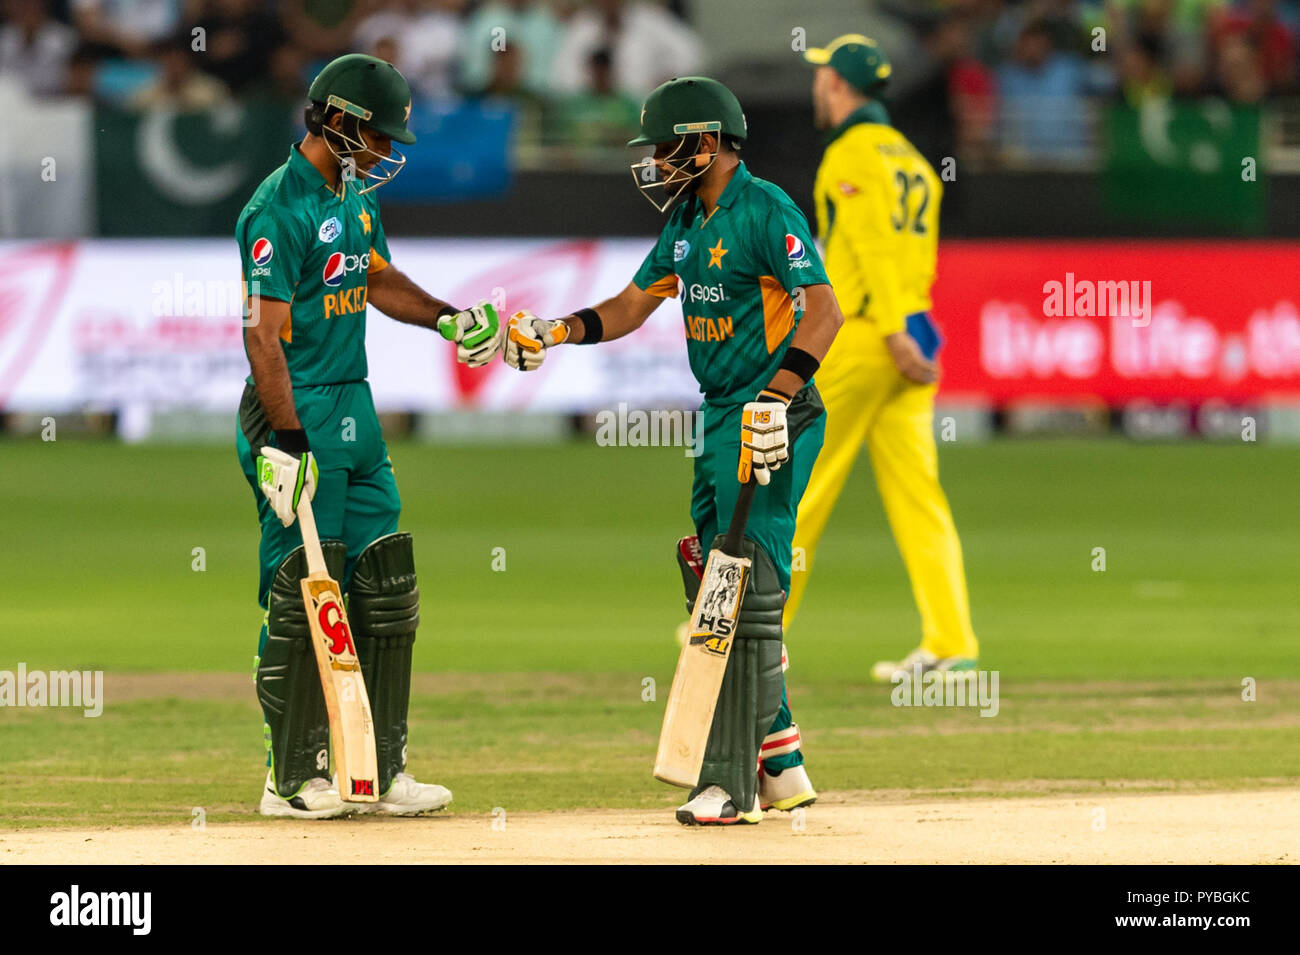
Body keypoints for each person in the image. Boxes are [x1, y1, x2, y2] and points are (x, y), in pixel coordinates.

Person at [501, 76, 844, 825]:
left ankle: (731, 781)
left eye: (666, 145)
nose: (656, 161)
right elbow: (631, 303)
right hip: (720, 414)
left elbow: (824, 309)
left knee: (744, 590)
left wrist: (776, 397)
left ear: (709, 141)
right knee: (713, 579)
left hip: (771, 413)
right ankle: (780, 758)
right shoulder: (687, 219)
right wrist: (557, 331)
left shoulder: (765, 208)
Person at [234, 53, 502, 818]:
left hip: (355, 405)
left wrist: (449, 317)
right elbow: (264, 337)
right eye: (380, 137)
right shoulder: (276, 207)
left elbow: (376, 275)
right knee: (299, 592)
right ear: (342, 123)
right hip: (297, 410)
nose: (386, 152)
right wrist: (286, 440)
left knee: (382, 585)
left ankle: (380, 770)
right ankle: (291, 777)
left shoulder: (351, 194)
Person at [787, 35, 979, 682]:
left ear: (839, 85)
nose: (816, 85)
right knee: (919, 497)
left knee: (800, 483)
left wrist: (892, 328)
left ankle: (755, 634)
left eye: (822, 76)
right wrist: (910, 328)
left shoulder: (850, 151)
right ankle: (950, 641)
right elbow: (906, 254)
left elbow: (869, 243)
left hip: (870, 334)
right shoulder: (915, 161)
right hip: (915, 332)